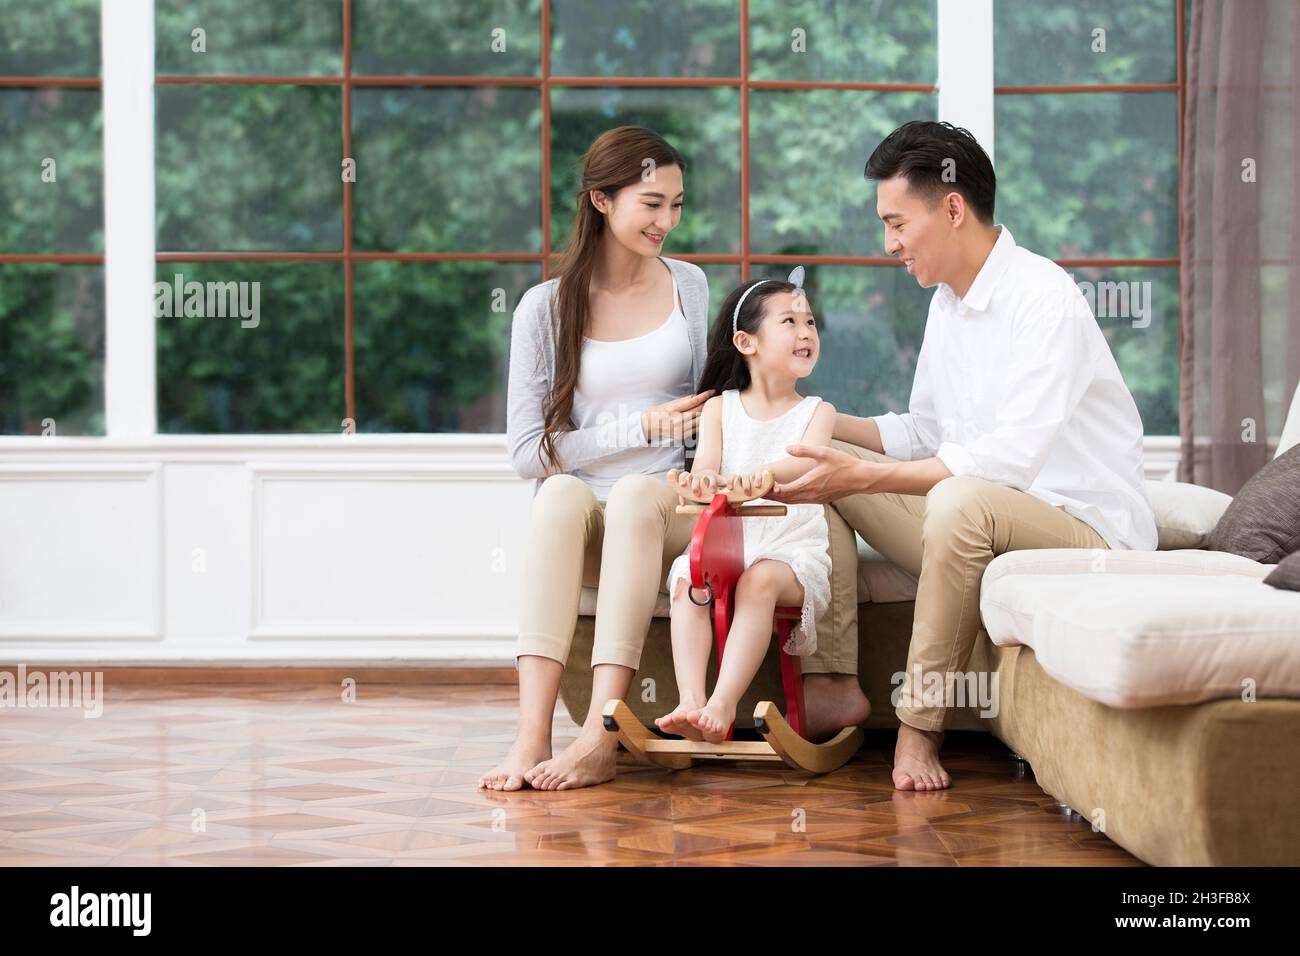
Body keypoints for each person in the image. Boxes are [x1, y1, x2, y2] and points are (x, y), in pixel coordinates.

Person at [770, 120, 1157, 791]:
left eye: (896, 223)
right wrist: (823, 420)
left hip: (1082, 529)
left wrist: (867, 474)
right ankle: (831, 682)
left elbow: (1003, 463)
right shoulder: (948, 302)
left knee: (955, 496)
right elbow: (927, 430)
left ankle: (919, 730)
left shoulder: (1044, 297)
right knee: (819, 458)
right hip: (978, 523)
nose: (888, 244)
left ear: (952, 206)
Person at [479, 126, 714, 792]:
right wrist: (636, 426)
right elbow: (529, 454)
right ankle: (530, 737)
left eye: (675, 203)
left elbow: (712, 404)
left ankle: (600, 732)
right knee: (555, 493)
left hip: (667, 506)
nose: (667, 220)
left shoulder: (689, 287)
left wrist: (700, 468)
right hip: (588, 515)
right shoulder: (544, 308)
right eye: (651, 203)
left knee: (641, 492)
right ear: (602, 200)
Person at [654, 269, 837, 743]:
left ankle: (722, 703)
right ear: (746, 341)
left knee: (759, 581)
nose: (806, 332)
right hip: (734, 543)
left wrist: (764, 477)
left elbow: (804, 462)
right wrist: (700, 481)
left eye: (810, 322)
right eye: (790, 322)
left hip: (790, 548)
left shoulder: (817, 412)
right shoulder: (721, 408)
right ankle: (690, 698)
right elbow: (710, 469)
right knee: (689, 577)